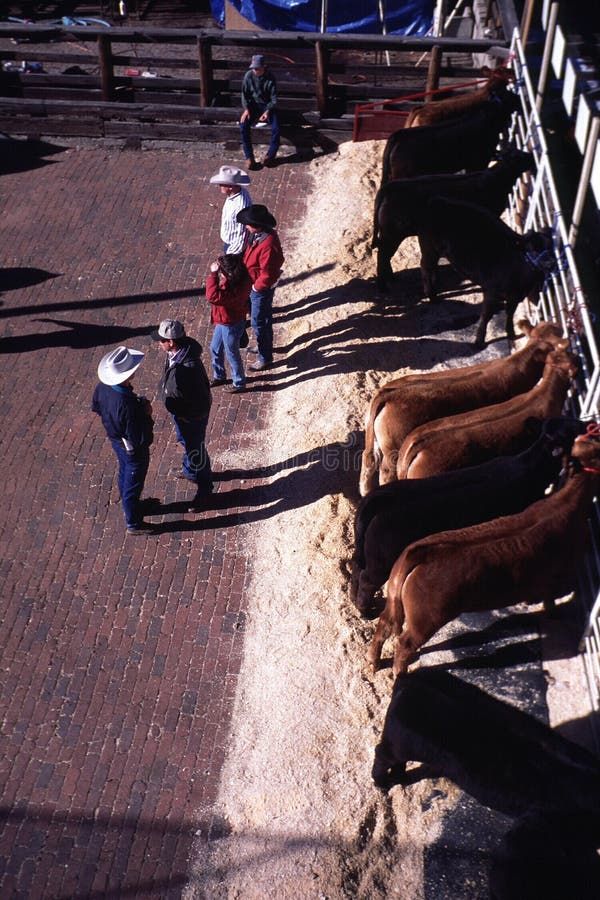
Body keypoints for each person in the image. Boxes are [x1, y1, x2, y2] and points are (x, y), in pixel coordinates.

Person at [92, 345, 155, 536]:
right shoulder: (128, 406)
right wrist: (147, 414)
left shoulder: (102, 387)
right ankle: (133, 522)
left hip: (116, 440)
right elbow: (140, 438)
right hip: (132, 447)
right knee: (133, 480)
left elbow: (96, 407)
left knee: (124, 471)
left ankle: (132, 506)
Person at [152, 319, 213, 513]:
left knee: (197, 450)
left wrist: (189, 417)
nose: (158, 343)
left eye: (161, 340)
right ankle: (190, 471)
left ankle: (205, 487)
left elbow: (201, 399)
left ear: (171, 341)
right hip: (181, 414)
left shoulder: (190, 367)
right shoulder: (175, 353)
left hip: (191, 417)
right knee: (185, 442)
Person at [237, 204, 285, 371]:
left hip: (260, 288)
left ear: (257, 225)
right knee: (261, 319)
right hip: (252, 284)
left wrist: (257, 288)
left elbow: (269, 272)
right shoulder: (258, 235)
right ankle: (264, 346)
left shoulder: (269, 244)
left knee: (259, 321)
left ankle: (265, 357)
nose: (246, 227)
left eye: (248, 224)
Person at [206, 254, 252, 393]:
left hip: (230, 323)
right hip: (225, 321)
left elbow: (212, 296)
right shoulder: (242, 279)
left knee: (232, 354)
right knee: (215, 347)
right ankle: (219, 375)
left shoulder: (232, 290)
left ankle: (239, 382)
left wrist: (214, 275)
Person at [239, 54, 280, 171]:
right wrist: (246, 109)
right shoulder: (248, 76)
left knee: (276, 128)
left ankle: (270, 156)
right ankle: (249, 157)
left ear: (263, 67)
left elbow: (274, 99)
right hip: (253, 106)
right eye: (253, 68)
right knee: (243, 126)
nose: (254, 70)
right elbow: (244, 94)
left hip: (267, 106)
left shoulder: (270, 77)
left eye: (257, 68)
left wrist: (267, 111)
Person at [209, 165, 252, 255]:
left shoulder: (240, 207)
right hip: (230, 242)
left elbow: (243, 234)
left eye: (222, 184)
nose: (219, 186)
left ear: (230, 187)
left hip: (233, 248)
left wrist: (230, 255)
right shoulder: (237, 192)